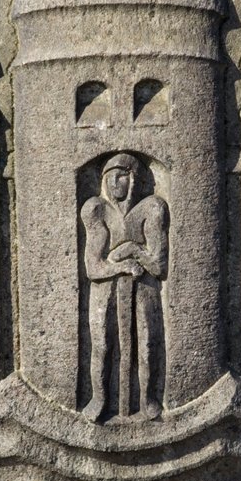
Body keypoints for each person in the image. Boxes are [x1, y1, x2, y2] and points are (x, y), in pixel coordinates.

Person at [80, 153, 169, 422]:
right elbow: (93, 268)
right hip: (104, 291)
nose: (117, 183)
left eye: (124, 176)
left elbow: (158, 265)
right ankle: (100, 399)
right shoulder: (96, 210)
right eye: (111, 176)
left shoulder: (152, 208)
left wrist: (130, 249)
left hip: (144, 291)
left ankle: (148, 400)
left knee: (147, 345)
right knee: (103, 346)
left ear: (135, 180)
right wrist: (121, 264)